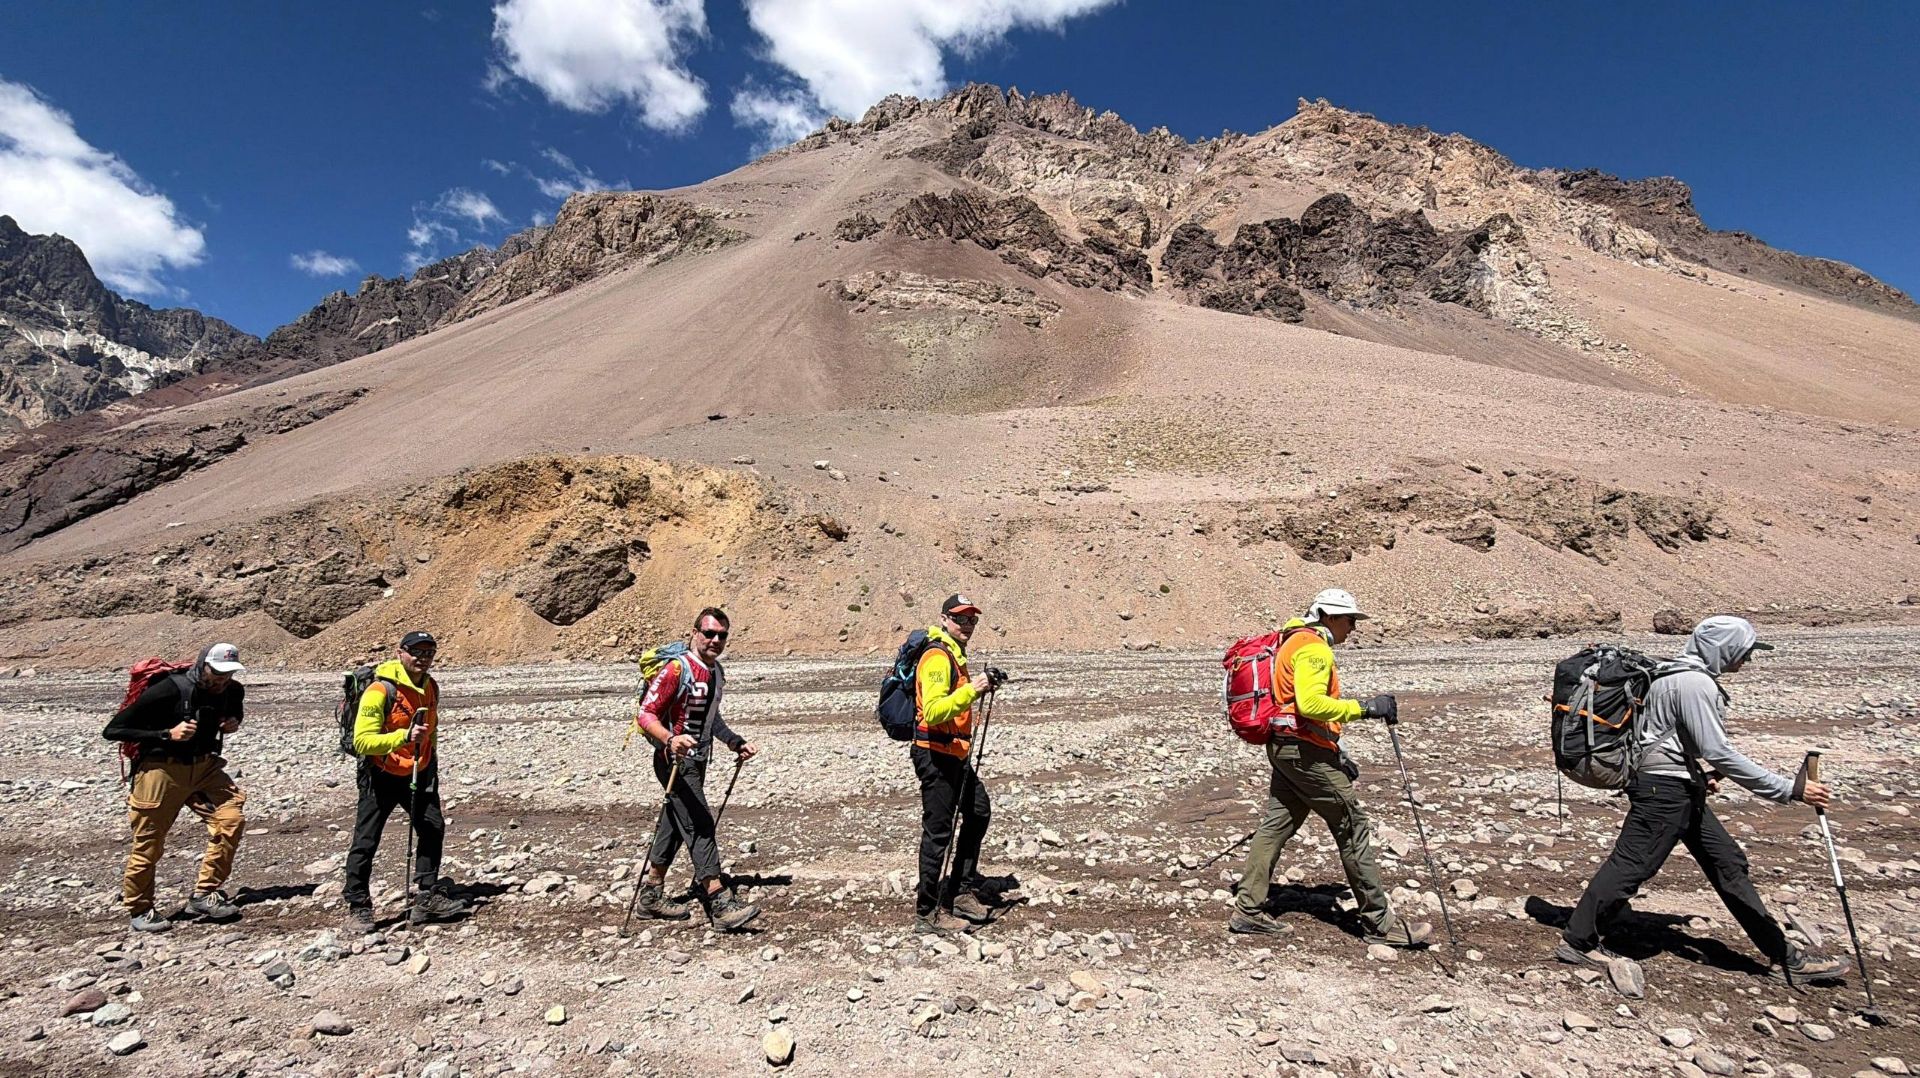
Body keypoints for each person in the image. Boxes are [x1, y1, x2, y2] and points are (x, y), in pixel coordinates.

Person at [1558, 616, 1848, 983]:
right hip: (1663, 792)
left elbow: (1678, 740)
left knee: (1728, 863)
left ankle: (1783, 956)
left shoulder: (1671, 675)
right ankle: (1578, 941)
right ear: (1723, 649)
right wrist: (1788, 789)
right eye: (1743, 652)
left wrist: (1699, 776)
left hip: (1677, 786)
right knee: (1632, 865)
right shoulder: (1693, 682)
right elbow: (1718, 751)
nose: (1746, 660)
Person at [1227, 589, 1433, 948]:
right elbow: (1309, 704)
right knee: (1352, 827)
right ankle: (1380, 925)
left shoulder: (1289, 641)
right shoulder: (1314, 649)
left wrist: (1336, 750)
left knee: (1276, 825)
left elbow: (1293, 705)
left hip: (1286, 748)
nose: (1353, 627)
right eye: (1350, 619)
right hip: (1305, 752)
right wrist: (1367, 708)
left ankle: (1248, 909)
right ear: (1328, 617)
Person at [630, 608, 761, 932]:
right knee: (701, 823)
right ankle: (718, 900)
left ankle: (651, 896)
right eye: (709, 633)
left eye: (722, 635)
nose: (715, 640)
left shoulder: (716, 673)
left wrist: (734, 741)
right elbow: (646, 714)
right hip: (673, 762)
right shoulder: (678, 669)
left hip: (698, 760)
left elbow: (711, 718)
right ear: (695, 633)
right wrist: (670, 739)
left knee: (675, 826)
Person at [103, 643, 250, 932]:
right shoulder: (169, 689)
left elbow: (234, 715)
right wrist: (166, 734)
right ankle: (140, 908)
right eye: (217, 672)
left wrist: (232, 723)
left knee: (231, 819)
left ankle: (206, 892)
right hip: (160, 771)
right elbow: (113, 730)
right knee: (149, 842)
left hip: (205, 767)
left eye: (229, 673)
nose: (222, 679)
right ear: (202, 665)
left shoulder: (233, 691)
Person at [343, 631, 467, 931]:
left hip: (418, 770)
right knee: (367, 838)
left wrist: (430, 760)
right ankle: (358, 904)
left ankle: (426, 896)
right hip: (381, 774)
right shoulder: (380, 690)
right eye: (416, 652)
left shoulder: (430, 686)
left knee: (432, 826)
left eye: (429, 652)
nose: (423, 658)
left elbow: (431, 729)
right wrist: (403, 737)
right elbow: (362, 741)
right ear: (400, 652)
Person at [910, 594, 1002, 935]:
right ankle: (928, 913)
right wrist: (974, 689)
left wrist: (979, 686)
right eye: (962, 619)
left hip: (954, 753)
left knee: (978, 811)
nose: (968, 625)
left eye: (972, 620)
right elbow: (933, 711)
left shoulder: (955, 655)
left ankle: (961, 891)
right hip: (935, 754)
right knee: (938, 833)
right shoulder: (937, 656)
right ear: (945, 618)